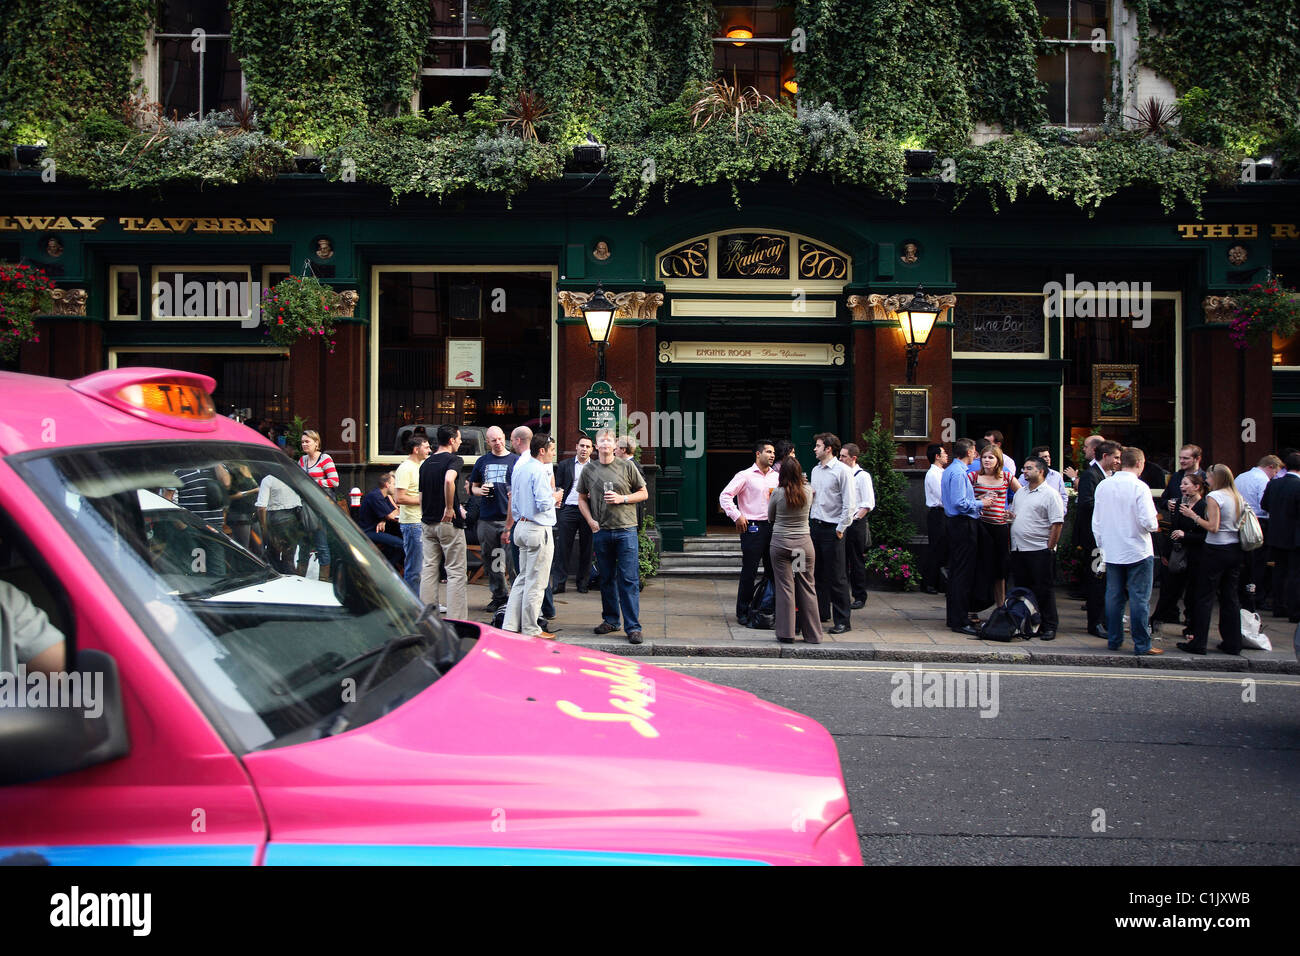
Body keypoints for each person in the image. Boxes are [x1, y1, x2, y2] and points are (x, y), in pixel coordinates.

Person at [578, 428, 648, 644]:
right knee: (606, 579)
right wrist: (590, 521)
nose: (606, 444)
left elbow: (643, 493)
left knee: (629, 579)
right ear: (596, 446)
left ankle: (633, 627)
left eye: (610, 440)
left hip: (626, 529)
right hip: (602, 531)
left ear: (615, 445)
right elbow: (581, 498)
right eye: (602, 440)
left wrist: (622, 499)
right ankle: (610, 620)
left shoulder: (627, 466)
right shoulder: (589, 470)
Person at [1093, 446, 1162, 656]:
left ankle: (1114, 640)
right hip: (1137, 550)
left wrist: (1103, 546)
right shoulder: (1139, 487)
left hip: (1113, 549)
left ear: (1120, 462)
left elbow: (1096, 522)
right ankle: (1142, 644)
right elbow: (1148, 522)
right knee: (1139, 598)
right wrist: (1156, 523)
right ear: (1140, 464)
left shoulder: (1104, 485)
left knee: (1114, 596)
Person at [1178, 464, 1247, 655]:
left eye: (1208, 478)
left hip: (1215, 549)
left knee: (1204, 597)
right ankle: (1232, 643)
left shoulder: (1214, 497)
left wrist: (1193, 516)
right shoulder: (1237, 496)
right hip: (1234, 549)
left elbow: (1213, 527)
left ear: (1216, 478)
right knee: (1230, 597)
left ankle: (1198, 642)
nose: (1206, 481)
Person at [503, 433, 558, 638]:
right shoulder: (539, 470)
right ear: (541, 451)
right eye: (551, 450)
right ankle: (531, 628)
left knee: (522, 578)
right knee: (536, 582)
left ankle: (510, 624)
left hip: (521, 526)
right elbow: (544, 503)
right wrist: (556, 497)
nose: (553, 453)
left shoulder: (520, 468)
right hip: (537, 528)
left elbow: (514, 501)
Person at [719, 439, 778, 627]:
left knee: (773, 571)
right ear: (758, 454)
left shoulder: (777, 476)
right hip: (752, 527)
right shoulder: (744, 475)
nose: (772, 455)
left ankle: (767, 608)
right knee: (749, 572)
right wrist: (737, 515)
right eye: (768, 452)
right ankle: (743, 611)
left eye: (773, 453)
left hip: (773, 527)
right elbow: (725, 496)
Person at [768, 456, 823, 644]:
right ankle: (813, 635)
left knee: (785, 587)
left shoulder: (777, 492)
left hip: (781, 545)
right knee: (806, 585)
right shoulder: (808, 491)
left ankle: (786, 633)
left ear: (781, 474)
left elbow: (770, 517)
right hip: (802, 547)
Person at [1008, 456, 1065, 639]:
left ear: (1041, 471)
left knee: (1043, 589)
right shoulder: (1020, 493)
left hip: (1040, 549)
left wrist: (1050, 547)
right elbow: (1016, 516)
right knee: (1023, 589)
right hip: (1019, 549)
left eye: (1029, 468)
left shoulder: (1050, 494)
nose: (1024, 472)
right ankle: (1028, 623)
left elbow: (1057, 523)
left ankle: (1049, 625)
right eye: (1024, 468)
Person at [419, 424, 468, 619]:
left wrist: (425, 514)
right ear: (451, 440)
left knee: (429, 569)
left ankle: (427, 616)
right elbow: (449, 480)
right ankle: (457, 619)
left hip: (427, 521)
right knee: (455, 571)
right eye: (459, 438)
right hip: (448, 522)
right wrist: (449, 507)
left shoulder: (426, 463)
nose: (461, 441)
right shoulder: (454, 460)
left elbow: (421, 494)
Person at [1149, 472, 1208, 634]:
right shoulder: (1178, 504)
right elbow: (1172, 530)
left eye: (1186, 484)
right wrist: (1165, 554)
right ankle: (1155, 620)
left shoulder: (1204, 506)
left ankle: (1192, 626)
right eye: (1181, 484)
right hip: (1177, 553)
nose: (1182, 487)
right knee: (1169, 590)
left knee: (1193, 593)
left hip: (1195, 554)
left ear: (1197, 487)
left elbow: (1206, 533)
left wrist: (1186, 535)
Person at [809, 432, 855, 634]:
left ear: (828, 449)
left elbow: (850, 503)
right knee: (817, 573)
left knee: (837, 576)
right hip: (816, 526)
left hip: (833, 528)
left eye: (818, 445)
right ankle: (821, 613)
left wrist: (840, 529)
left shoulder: (843, 471)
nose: (814, 449)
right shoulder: (815, 470)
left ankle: (843, 620)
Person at [469, 426, 518, 613]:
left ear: (504, 438)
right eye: (493, 440)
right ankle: (499, 596)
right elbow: (473, 487)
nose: (497, 443)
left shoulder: (516, 461)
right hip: (487, 519)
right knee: (492, 561)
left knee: (512, 561)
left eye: (499, 439)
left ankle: (515, 599)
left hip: (509, 520)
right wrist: (478, 491)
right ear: (487, 442)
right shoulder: (482, 461)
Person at [1076, 438, 1119, 638]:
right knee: (1096, 580)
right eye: (1116, 457)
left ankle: (1105, 619)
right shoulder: (1090, 475)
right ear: (1105, 456)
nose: (1118, 461)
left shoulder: (1110, 476)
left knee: (1105, 581)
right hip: (1094, 539)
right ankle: (1095, 623)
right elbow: (1085, 503)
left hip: (1107, 538)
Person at [942, 438, 984, 635]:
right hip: (962, 524)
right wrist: (981, 504)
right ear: (969, 452)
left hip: (955, 524)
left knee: (957, 572)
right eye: (975, 450)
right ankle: (960, 621)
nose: (976, 454)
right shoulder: (959, 473)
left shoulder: (951, 470)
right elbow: (960, 503)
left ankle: (954, 618)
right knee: (962, 574)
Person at [971, 444, 1020, 609]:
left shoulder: (1006, 477)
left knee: (1001, 569)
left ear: (998, 460)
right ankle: (976, 607)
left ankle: (1001, 607)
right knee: (981, 567)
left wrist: (1013, 513)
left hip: (1000, 527)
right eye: (984, 457)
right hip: (981, 526)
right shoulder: (973, 476)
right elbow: (964, 498)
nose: (986, 460)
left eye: (991, 457)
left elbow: (1022, 494)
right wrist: (979, 500)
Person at [1235, 454, 1281, 612]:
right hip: (1258, 522)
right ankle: (1256, 596)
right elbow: (1264, 504)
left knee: (1244, 562)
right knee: (1258, 563)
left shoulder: (1241, 476)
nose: (1275, 476)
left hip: (1239, 520)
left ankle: (1241, 593)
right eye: (1275, 472)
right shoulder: (1263, 480)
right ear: (1271, 467)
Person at [551, 435, 595, 594]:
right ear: (576, 446)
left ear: (592, 449)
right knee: (563, 547)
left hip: (588, 511)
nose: (584, 449)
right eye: (582, 446)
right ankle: (559, 583)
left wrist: (593, 495)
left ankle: (582, 582)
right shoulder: (564, 464)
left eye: (587, 447)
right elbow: (558, 485)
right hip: (568, 508)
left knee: (587, 547)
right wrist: (559, 504)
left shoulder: (596, 467)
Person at [1261, 451, 1300, 623]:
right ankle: (1294, 610)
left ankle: (1279, 606)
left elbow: (1264, 505)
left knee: (1278, 571)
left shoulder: (1274, 484)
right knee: (1294, 573)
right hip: (1295, 537)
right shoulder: (1298, 486)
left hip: (1276, 534)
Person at [839, 443, 875, 609]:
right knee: (841, 560)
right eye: (839, 456)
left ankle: (860, 595)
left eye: (843, 456)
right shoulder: (840, 473)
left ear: (853, 458)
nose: (840, 459)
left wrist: (853, 520)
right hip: (841, 522)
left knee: (856, 560)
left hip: (854, 524)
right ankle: (842, 595)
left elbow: (867, 504)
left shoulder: (862, 476)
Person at [298, 429, 338, 582]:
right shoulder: (302, 461)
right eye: (302, 442)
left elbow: (334, 481)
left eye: (307, 441)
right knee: (304, 543)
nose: (304, 444)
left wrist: (313, 482)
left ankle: (323, 579)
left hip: (320, 507)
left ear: (316, 443)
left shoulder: (325, 459)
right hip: (306, 506)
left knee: (321, 542)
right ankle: (300, 578)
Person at [393, 433, 430, 594]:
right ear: (416, 449)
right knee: (414, 567)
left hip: (422, 521)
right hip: (412, 523)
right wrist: (425, 500)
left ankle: (424, 599)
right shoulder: (406, 468)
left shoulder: (421, 466)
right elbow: (399, 497)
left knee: (424, 565)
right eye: (426, 447)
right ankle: (413, 603)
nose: (430, 450)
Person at [255, 473, 306, 575]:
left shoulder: (268, 479)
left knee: (273, 556)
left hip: (275, 521)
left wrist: (263, 527)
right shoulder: (293, 477)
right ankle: (291, 580)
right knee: (289, 557)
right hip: (293, 519)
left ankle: (276, 579)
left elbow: (261, 507)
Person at [358, 472, 404, 569]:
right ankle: (387, 569)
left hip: (378, 529)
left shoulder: (384, 496)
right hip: (368, 532)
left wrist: (383, 520)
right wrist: (387, 517)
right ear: (387, 485)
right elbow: (392, 516)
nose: (395, 487)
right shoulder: (376, 496)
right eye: (394, 484)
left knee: (399, 542)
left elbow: (396, 511)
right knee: (402, 544)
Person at [922, 443, 949, 594]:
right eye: (944, 453)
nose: (946, 456)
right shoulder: (933, 474)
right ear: (937, 456)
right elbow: (942, 496)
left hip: (944, 514)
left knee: (943, 548)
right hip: (937, 513)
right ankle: (928, 583)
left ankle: (940, 583)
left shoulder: (942, 472)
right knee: (935, 548)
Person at [1022, 445, 1068, 514]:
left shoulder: (1056, 476)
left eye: (1048, 456)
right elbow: (1020, 495)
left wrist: (1062, 512)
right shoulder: (1025, 476)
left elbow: (1063, 496)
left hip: (1054, 515)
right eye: (1044, 457)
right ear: (1036, 460)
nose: (1048, 459)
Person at [224, 462, 259, 550]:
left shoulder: (251, 469)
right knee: (243, 549)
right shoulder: (231, 471)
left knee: (259, 549)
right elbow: (229, 496)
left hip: (253, 514)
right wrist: (252, 491)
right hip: (239, 515)